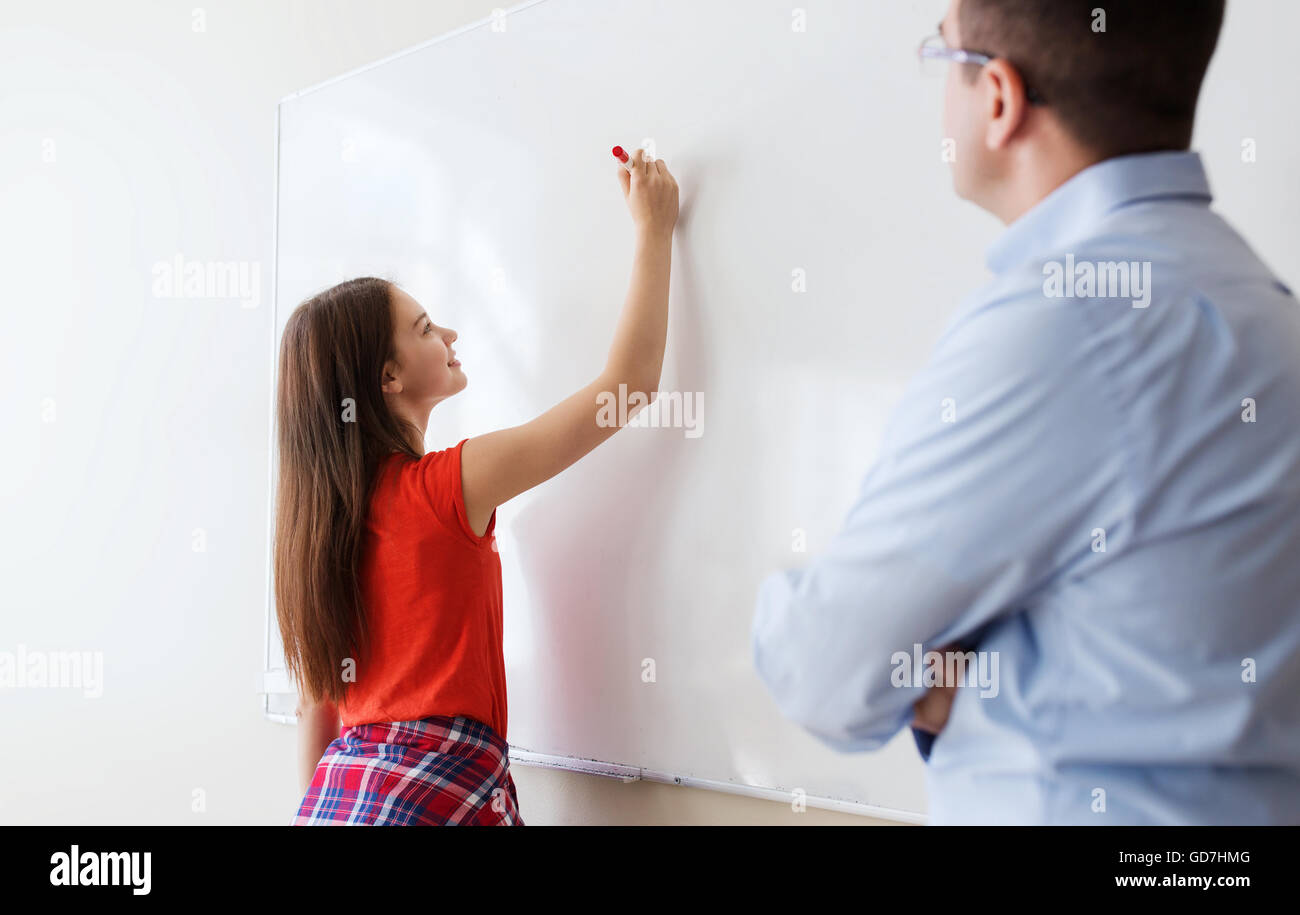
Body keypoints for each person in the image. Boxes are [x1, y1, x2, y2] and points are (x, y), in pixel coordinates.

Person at [752, 0, 1300, 824]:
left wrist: (964, 684)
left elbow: (823, 666)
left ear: (999, 98)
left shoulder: (1063, 324)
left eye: (942, 56)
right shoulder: (1266, 306)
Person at [282, 147, 678, 824]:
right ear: (388, 378)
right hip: (431, 795)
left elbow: (316, 707)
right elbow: (629, 387)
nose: (452, 333)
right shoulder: (450, 485)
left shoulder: (321, 526)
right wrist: (654, 230)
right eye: (427, 328)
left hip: (340, 795)